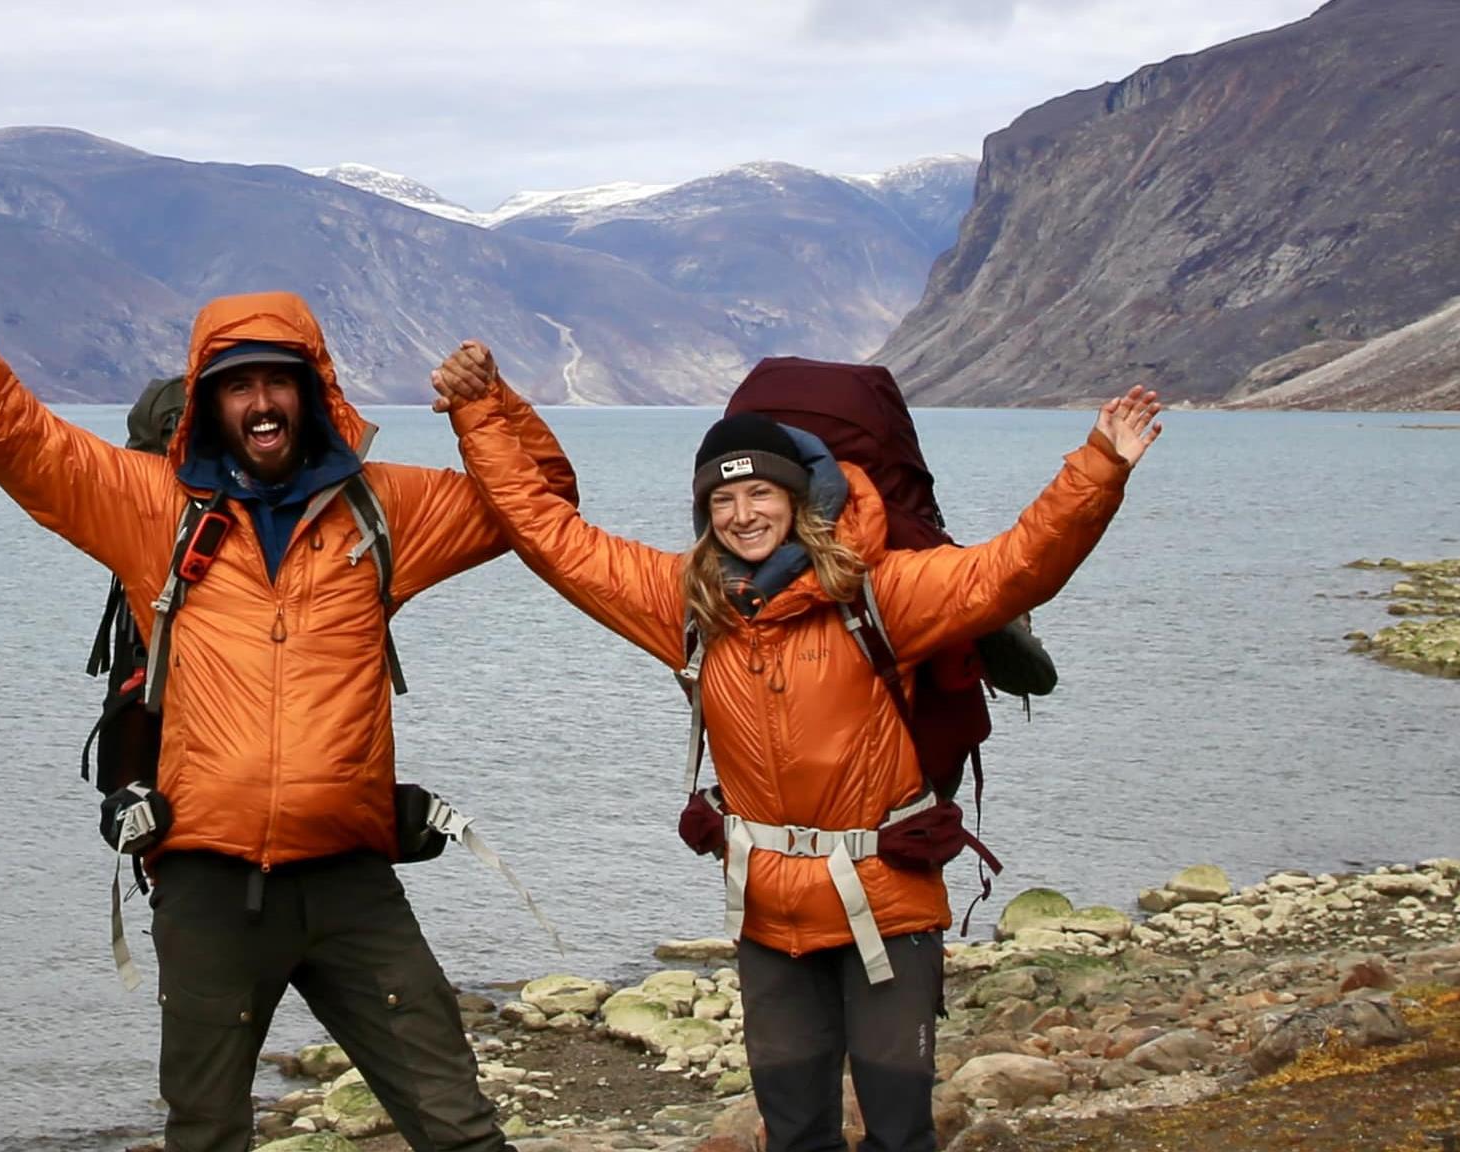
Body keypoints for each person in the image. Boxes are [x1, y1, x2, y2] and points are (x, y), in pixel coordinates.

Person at [0, 224, 576, 1152]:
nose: (259, 401)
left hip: (351, 885)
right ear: (209, 403)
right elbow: (19, 439)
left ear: (312, 391)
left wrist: (487, 407)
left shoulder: (385, 510)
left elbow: (541, 506)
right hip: (206, 881)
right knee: (205, 1134)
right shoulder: (148, 510)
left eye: (276, 379)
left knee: (459, 1125)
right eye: (237, 384)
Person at [430, 347, 1160, 1152]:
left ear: (801, 497)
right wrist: (480, 412)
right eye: (724, 498)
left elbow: (1015, 567)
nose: (743, 514)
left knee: (899, 1132)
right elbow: (548, 537)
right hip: (769, 916)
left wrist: (1100, 467)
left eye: (760, 493)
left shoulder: (881, 595)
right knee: (796, 1132)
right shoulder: (688, 604)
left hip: (887, 906)